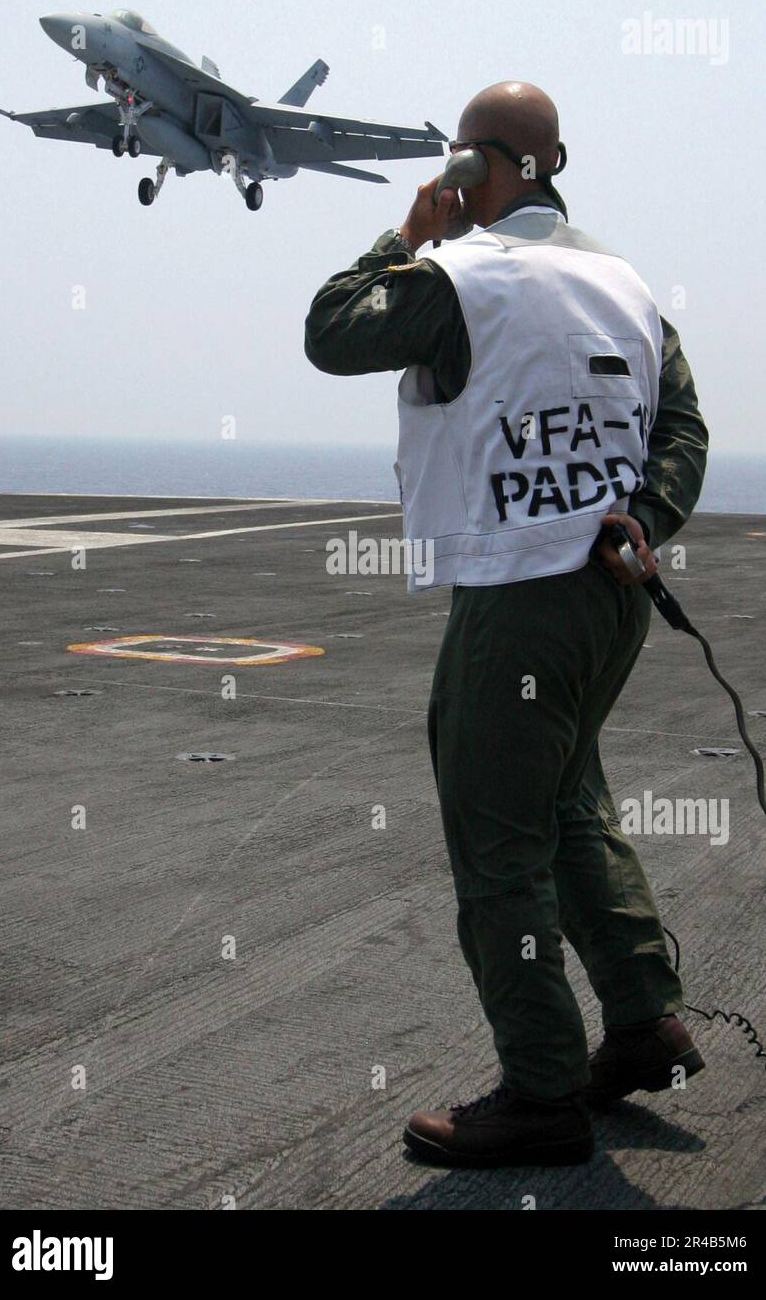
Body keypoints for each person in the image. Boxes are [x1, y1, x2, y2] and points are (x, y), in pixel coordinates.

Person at [305, 81, 709, 1168]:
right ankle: (643, 1026)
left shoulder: (457, 277)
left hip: (519, 598)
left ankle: (539, 1092)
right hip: (610, 594)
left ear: (475, 169)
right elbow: (683, 425)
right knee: (571, 800)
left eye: (456, 160)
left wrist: (403, 232)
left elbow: (332, 333)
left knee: (498, 847)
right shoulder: (625, 285)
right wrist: (646, 517)